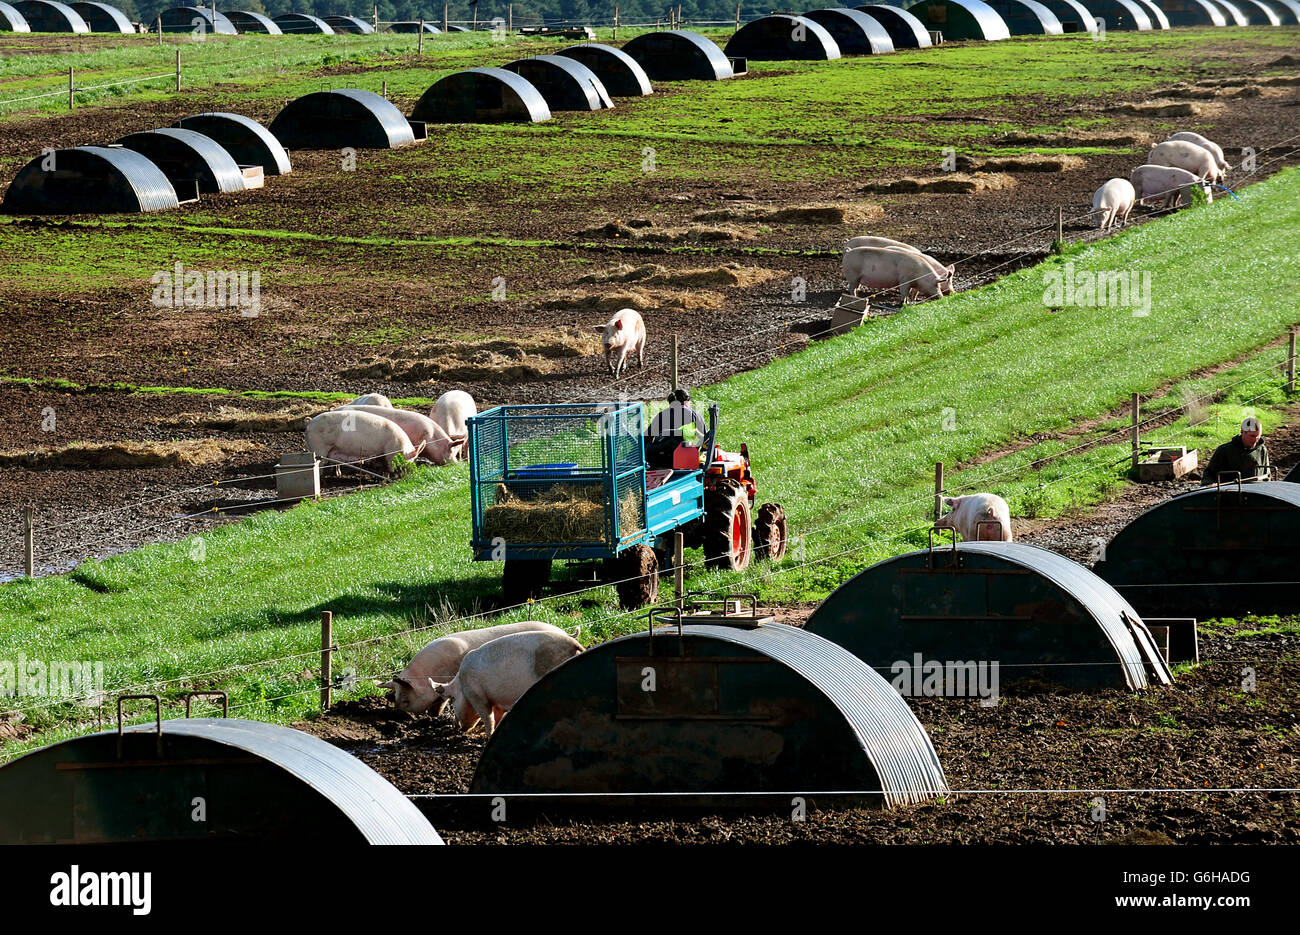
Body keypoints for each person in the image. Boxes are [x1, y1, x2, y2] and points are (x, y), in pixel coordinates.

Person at [1200, 416, 1269, 485]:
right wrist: (1209, 485)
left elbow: (1267, 476)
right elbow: (1208, 475)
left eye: (1258, 436)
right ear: (1242, 432)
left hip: (1256, 492)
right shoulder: (1224, 450)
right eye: (1252, 436)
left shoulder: (1262, 450)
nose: (1255, 440)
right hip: (1230, 492)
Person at [646, 389, 705, 467]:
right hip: (688, 457)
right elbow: (705, 439)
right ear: (687, 401)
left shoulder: (662, 415)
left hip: (664, 459)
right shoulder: (695, 414)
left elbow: (646, 438)